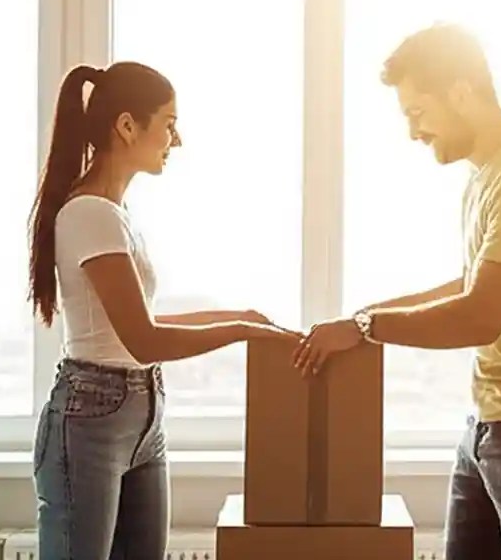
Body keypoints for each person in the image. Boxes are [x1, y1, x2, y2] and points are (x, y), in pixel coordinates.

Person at [293, 24, 501, 560]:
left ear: (462, 93)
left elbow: (478, 317)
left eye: (418, 112)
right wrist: (365, 316)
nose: (414, 132)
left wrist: (367, 329)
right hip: (492, 420)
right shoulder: (489, 175)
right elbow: (473, 284)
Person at [28, 61, 299, 560]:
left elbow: (141, 325)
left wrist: (239, 315)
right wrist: (239, 332)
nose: (177, 140)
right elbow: (145, 341)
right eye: (169, 123)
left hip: (143, 413)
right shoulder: (89, 213)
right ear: (127, 126)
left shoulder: (114, 214)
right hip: (92, 420)